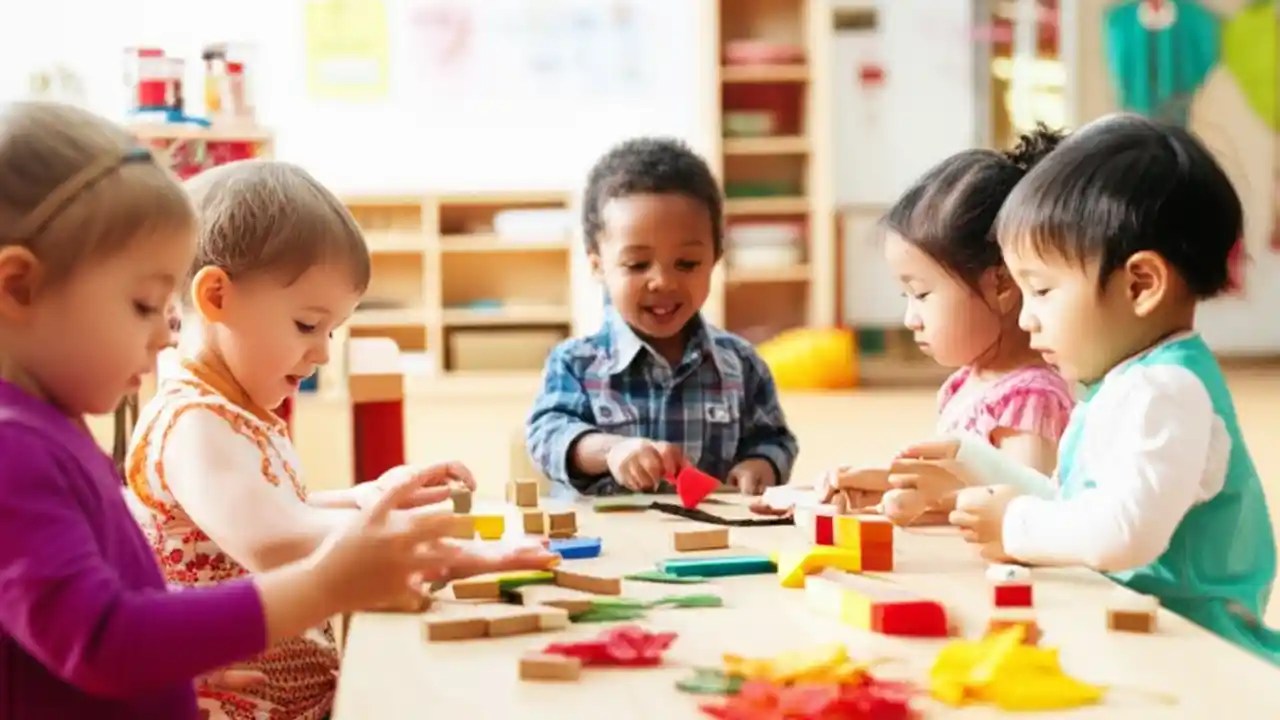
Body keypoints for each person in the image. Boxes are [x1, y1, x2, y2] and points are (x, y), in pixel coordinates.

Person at [0, 101, 513, 719]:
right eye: (142, 306)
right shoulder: (17, 450)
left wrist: (365, 501)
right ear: (19, 288)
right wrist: (340, 576)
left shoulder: (48, 433)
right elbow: (106, 638)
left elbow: (93, 630)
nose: (166, 335)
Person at [124, 159, 557, 718]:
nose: (324, 351)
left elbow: (276, 508)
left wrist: (365, 496)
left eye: (332, 331)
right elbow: (272, 539)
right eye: (307, 325)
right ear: (217, 297)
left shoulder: (235, 412)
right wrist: (438, 546)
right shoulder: (193, 422)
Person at [939, 113, 1279, 664]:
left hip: (1201, 654)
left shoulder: (1166, 391)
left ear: (1141, 284)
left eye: (1042, 290)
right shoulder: (1129, 382)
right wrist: (967, 463)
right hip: (1146, 635)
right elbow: (1083, 509)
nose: (1026, 319)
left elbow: (1124, 532)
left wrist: (1014, 525)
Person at [818, 127, 1075, 524]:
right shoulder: (968, 383)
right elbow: (955, 486)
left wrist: (925, 499)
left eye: (921, 294)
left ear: (1001, 284)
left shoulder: (1028, 398)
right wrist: (886, 485)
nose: (910, 319)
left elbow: (1024, 510)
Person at [525, 137, 798, 498]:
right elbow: (547, 434)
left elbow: (774, 439)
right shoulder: (576, 363)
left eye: (687, 264)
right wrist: (611, 451)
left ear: (715, 259)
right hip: (608, 548)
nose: (663, 281)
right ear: (598, 266)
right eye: (637, 264)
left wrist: (760, 465)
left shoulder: (741, 363)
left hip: (709, 545)